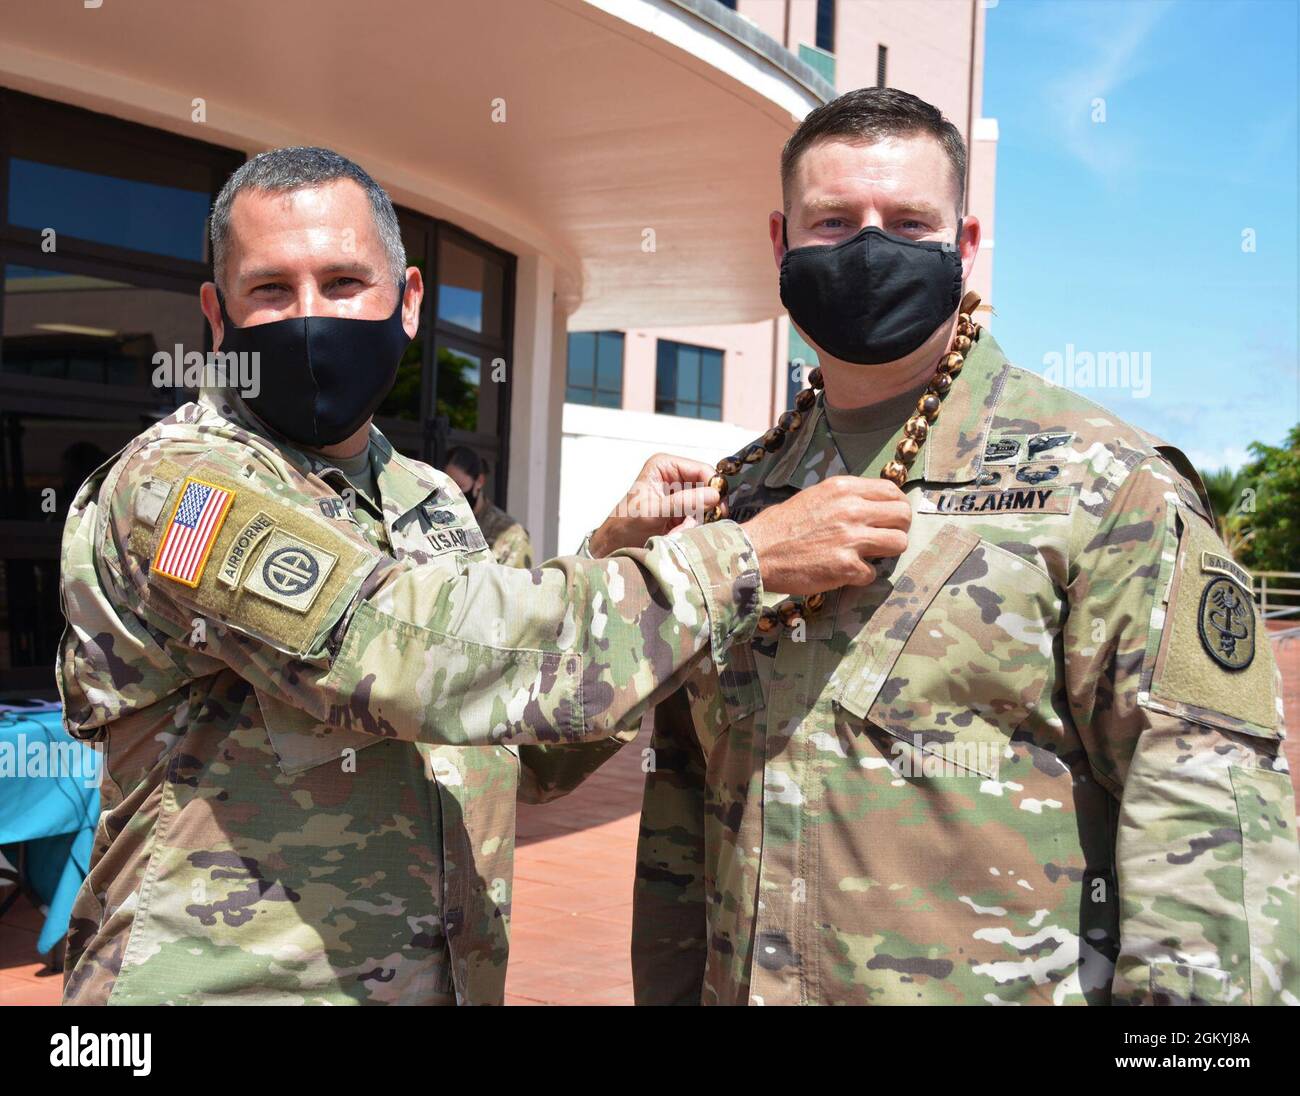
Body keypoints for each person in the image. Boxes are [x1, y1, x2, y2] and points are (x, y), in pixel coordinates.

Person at [55, 146, 909, 1005]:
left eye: (346, 283)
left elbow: (515, 746)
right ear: (218, 314)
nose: (310, 317)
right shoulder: (177, 488)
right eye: (271, 290)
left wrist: (615, 553)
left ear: (409, 301)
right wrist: (742, 561)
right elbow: (397, 648)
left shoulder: (427, 499)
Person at [620, 88, 1298, 1005]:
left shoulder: (1106, 485)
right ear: (781, 244)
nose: (868, 248)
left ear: (965, 246)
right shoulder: (736, 505)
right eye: (833, 223)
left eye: (907, 222)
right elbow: (680, 806)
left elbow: (1213, 837)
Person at [442, 445, 532, 568]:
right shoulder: (438, 524)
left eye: (460, 487)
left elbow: (518, 584)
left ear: (479, 481)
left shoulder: (512, 534)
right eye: (447, 488)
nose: (453, 495)